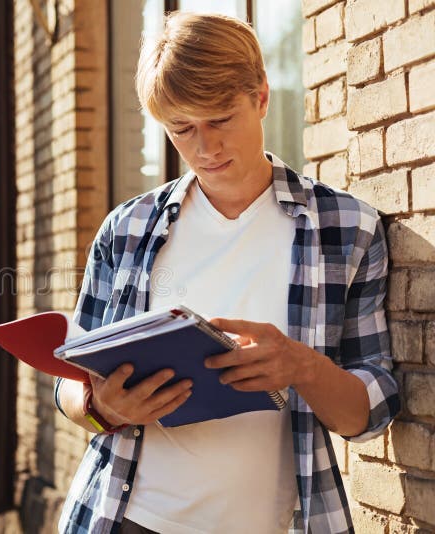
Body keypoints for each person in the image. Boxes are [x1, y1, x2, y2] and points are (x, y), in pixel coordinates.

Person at [53, 11, 399, 534]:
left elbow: (371, 414)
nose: (205, 147)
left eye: (220, 119)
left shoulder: (348, 228)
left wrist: (302, 367)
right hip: (124, 518)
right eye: (182, 129)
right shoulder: (128, 228)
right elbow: (70, 383)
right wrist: (101, 405)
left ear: (261, 97)